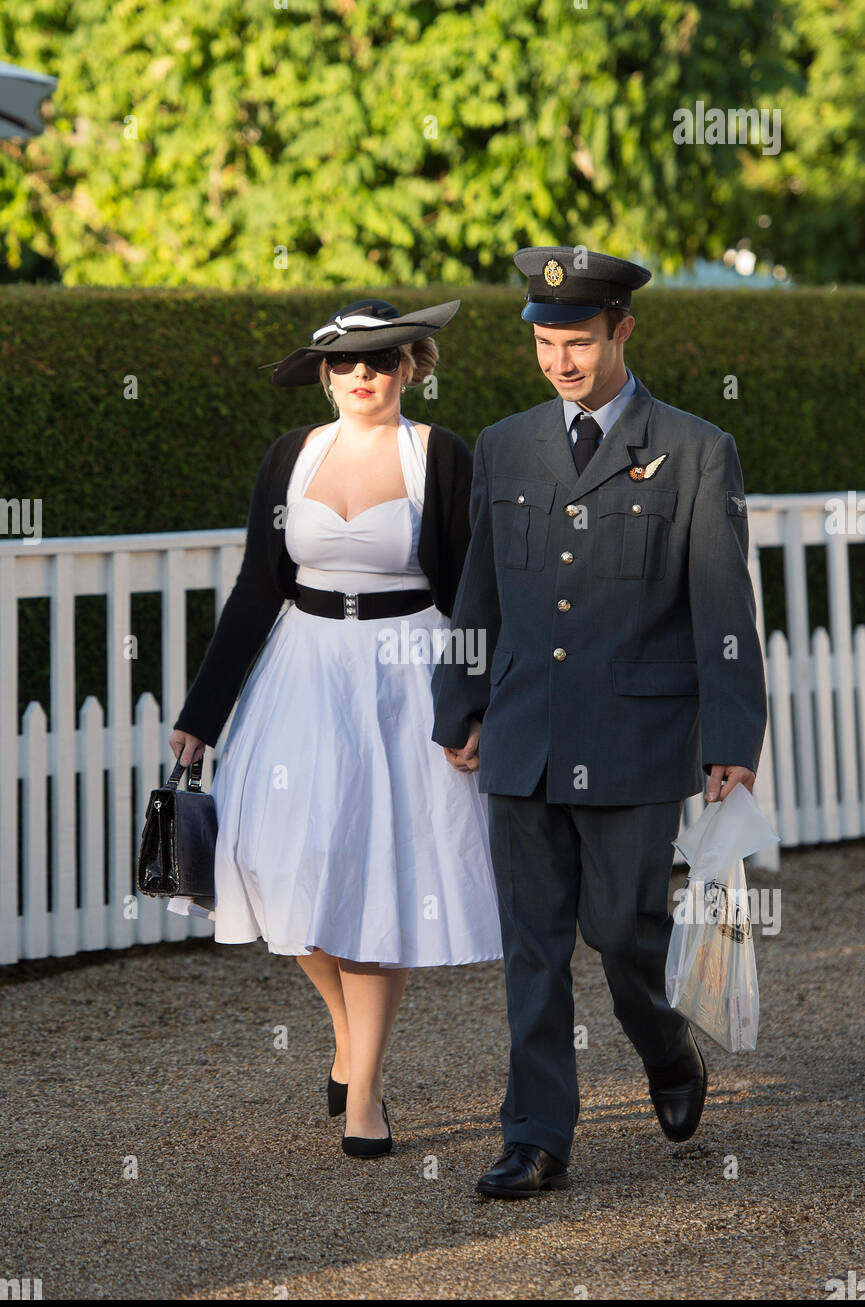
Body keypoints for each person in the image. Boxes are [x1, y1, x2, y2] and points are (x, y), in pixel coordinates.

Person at [431, 247, 768, 1198]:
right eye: (544, 342)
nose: (560, 361)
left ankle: (666, 1048)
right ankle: (534, 1135)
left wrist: (731, 743)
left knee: (622, 930)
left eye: (577, 340)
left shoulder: (696, 450)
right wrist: (458, 703)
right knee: (532, 946)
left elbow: (721, 608)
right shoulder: (503, 444)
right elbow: (478, 595)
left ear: (623, 329)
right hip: (523, 732)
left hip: (635, 736)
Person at [168, 297, 502, 1158]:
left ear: (411, 369)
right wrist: (200, 717)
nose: (364, 375)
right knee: (270, 857)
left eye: (383, 361)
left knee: (377, 870)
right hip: (303, 672)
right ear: (324, 374)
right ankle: (346, 1034)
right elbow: (256, 587)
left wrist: (470, 703)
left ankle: (369, 1091)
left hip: (406, 673)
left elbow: (472, 592)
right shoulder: (291, 455)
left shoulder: (441, 456)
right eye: (348, 362)